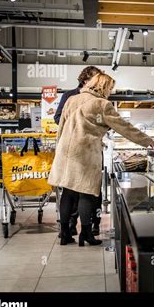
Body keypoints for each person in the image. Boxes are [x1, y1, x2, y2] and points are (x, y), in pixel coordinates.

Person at [48, 72, 154, 246]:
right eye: (110, 88)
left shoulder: (71, 100)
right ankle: (86, 233)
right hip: (85, 152)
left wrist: (59, 149)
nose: (111, 92)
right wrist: (146, 140)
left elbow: (61, 126)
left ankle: (65, 233)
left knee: (67, 192)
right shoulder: (102, 104)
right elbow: (124, 127)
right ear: (103, 86)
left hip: (65, 151)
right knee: (86, 192)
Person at [54, 66, 101, 237]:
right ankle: (75, 229)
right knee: (82, 192)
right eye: (96, 79)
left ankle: (88, 227)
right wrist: (78, 126)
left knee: (79, 192)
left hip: (78, 149)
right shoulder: (69, 96)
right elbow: (58, 117)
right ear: (85, 80)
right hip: (81, 149)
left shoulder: (97, 98)